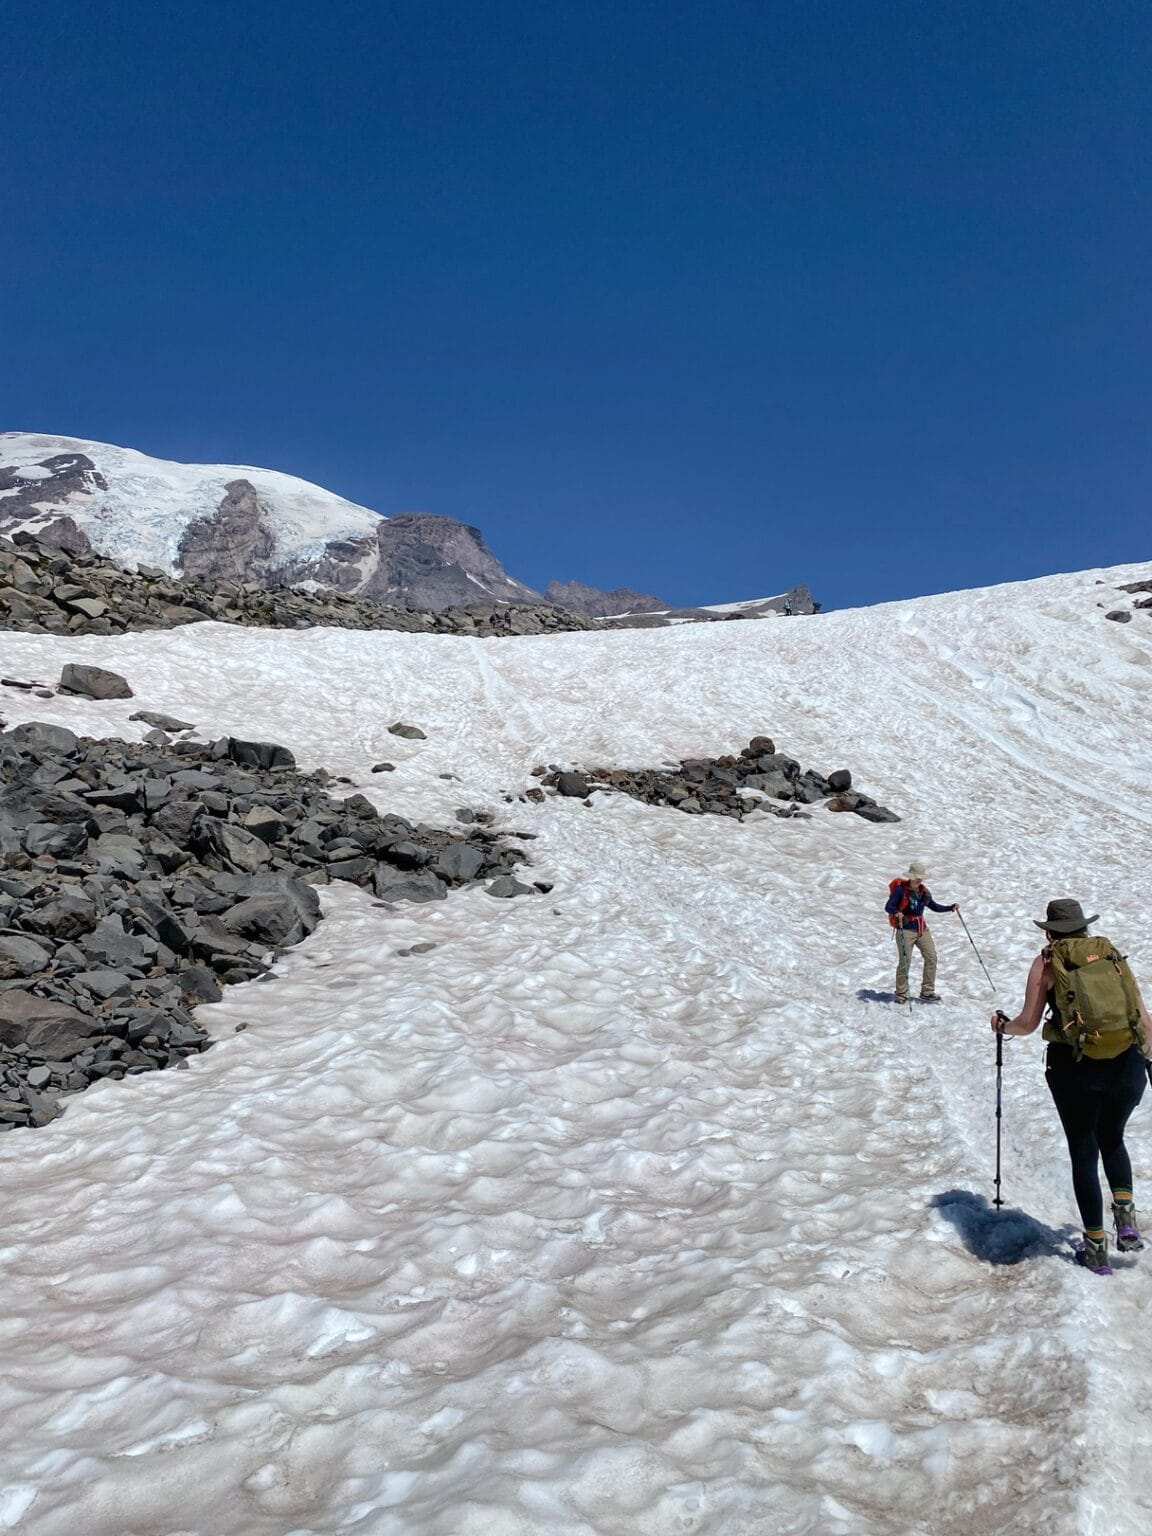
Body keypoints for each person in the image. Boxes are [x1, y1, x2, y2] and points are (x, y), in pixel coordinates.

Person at [992, 899, 1152, 1276]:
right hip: (1127, 1066)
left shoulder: (1048, 962)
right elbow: (1143, 1018)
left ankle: (1096, 1248)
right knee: (1112, 1137)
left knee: (1084, 1152)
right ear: (1083, 927)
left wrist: (1002, 1027)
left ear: (1049, 931)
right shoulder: (1111, 956)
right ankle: (1126, 1218)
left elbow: (1029, 1023)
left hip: (1075, 1071)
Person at [885, 861, 958, 1004]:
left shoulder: (924, 892)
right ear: (911, 876)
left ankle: (927, 991)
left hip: (922, 929)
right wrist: (896, 912)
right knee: (905, 962)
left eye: (921, 877)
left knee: (932, 957)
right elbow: (889, 906)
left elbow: (934, 906)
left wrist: (950, 908)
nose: (919, 879)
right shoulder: (901, 890)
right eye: (917, 877)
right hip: (905, 930)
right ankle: (901, 994)